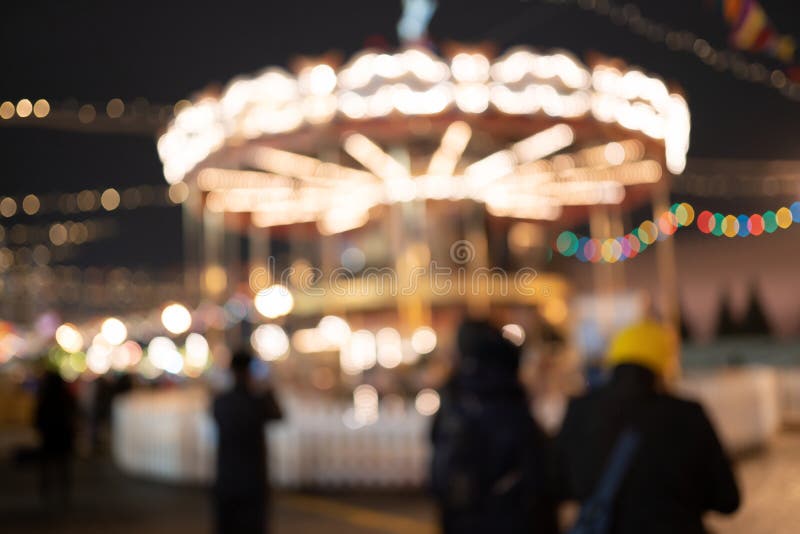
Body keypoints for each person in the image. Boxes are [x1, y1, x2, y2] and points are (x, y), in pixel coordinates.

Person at [553, 320, 740, 534]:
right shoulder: (688, 415)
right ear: (663, 365)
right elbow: (728, 501)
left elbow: (558, 486)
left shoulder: (580, 410)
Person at [430, 320, 558, 534]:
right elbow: (539, 478)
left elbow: (440, 474)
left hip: (463, 519)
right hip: (511, 518)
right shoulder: (511, 401)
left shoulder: (454, 398)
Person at [212, 349, 283, 534]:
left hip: (226, 476)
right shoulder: (258, 402)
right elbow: (279, 415)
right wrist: (267, 387)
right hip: (254, 477)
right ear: (251, 371)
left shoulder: (221, 401)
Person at [35, 370, 77, 507]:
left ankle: (46, 492)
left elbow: (37, 418)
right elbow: (74, 414)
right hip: (63, 436)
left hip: (49, 436)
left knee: (47, 466)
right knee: (63, 466)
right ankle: (64, 494)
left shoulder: (44, 397)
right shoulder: (66, 396)